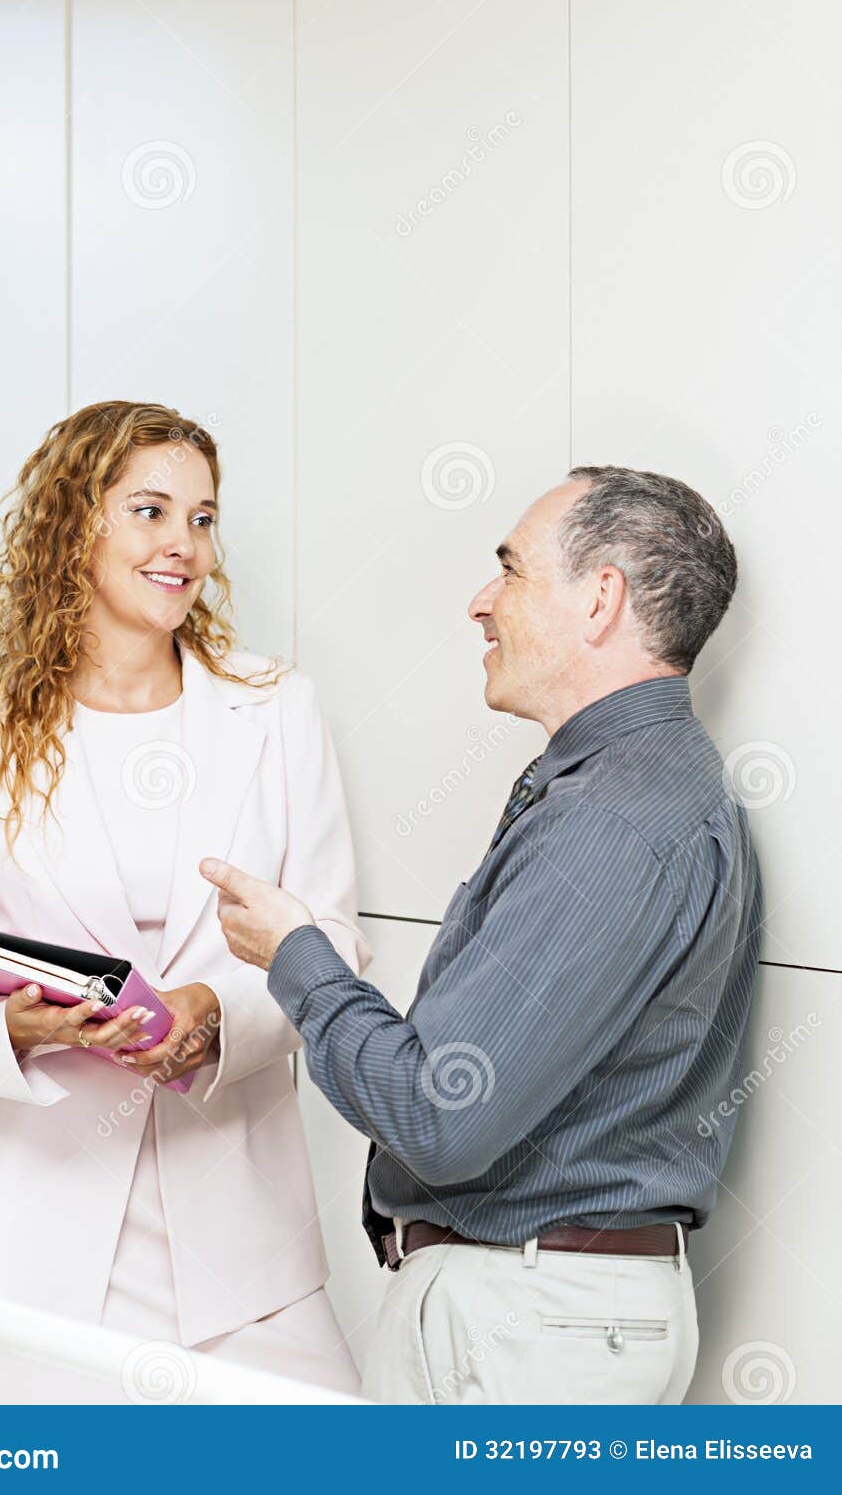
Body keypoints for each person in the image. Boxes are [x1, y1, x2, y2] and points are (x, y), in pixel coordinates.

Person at [200, 464, 764, 1405]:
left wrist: (297, 956)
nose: (479, 602)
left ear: (600, 600)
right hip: (541, 1314)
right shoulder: (636, 789)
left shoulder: (612, 817)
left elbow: (440, 1118)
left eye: (509, 569)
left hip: (528, 1322)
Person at [0, 399, 368, 1403]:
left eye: (201, 517)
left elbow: (333, 946)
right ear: (75, 525)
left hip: (240, 1234)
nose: (182, 546)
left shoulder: (275, 708)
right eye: (149, 511)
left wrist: (213, 1014)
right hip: (34, 1234)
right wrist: (13, 1023)